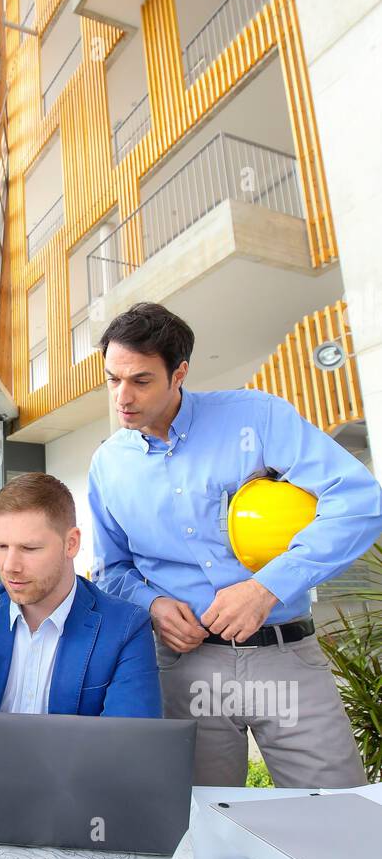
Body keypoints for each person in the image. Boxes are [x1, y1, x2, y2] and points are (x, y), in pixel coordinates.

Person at [87, 301, 382, 788]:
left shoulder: (258, 418)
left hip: (286, 655)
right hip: (183, 666)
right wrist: (153, 604)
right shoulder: (108, 465)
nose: (122, 397)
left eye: (140, 380)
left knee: (337, 816)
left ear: (179, 373)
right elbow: (111, 569)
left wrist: (267, 587)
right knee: (197, 826)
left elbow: (359, 501)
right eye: (113, 379)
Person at [0, 472, 162, 818]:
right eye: (1, 547)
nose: (10, 566)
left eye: (29, 548)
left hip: (78, 813)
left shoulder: (126, 627)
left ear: (71, 543)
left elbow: (130, 744)